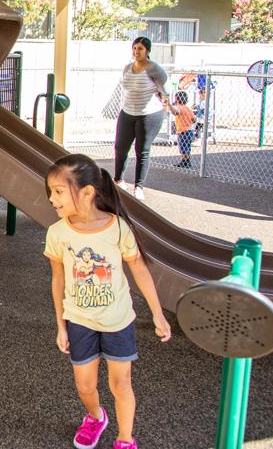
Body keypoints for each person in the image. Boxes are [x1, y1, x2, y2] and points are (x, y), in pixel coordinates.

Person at [43, 154, 171, 449]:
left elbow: (138, 268)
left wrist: (158, 314)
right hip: (79, 321)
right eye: (51, 192)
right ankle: (95, 416)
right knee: (85, 386)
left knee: (120, 384)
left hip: (117, 320)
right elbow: (58, 280)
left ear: (87, 192)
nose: (52, 199)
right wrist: (61, 325)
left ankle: (125, 439)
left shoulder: (117, 228)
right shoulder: (58, 233)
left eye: (59, 191)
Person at [112, 37, 169, 201]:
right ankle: (118, 180)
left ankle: (139, 186)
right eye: (135, 48)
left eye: (140, 49)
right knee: (120, 147)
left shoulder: (154, 69)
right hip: (128, 112)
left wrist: (167, 103)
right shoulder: (128, 68)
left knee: (141, 150)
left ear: (148, 51)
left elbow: (165, 89)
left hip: (149, 114)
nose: (137, 52)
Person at [166, 90, 196, 168]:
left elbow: (175, 112)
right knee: (187, 146)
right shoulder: (188, 109)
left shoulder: (179, 108)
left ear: (177, 99)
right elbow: (194, 120)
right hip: (190, 130)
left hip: (183, 131)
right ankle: (187, 161)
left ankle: (184, 161)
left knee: (183, 147)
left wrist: (169, 105)